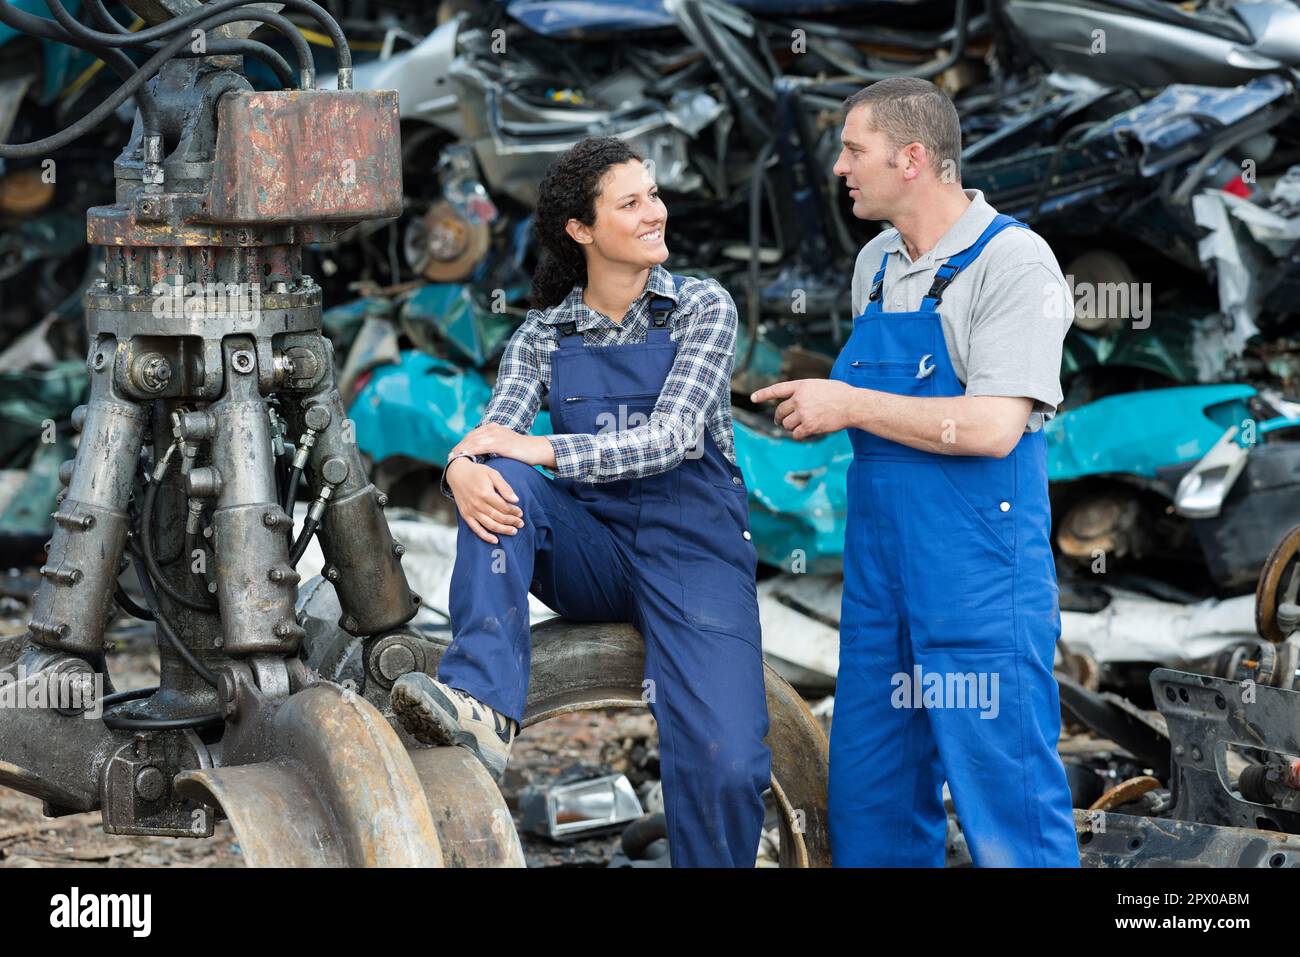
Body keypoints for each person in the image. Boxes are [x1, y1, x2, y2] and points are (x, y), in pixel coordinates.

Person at [390, 136, 772, 868]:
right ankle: (479, 702)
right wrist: (461, 467)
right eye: (631, 202)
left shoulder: (700, 306)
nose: (655, 212)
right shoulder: (542, 335)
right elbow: (493, 437)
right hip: (595, 548)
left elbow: (674, 437)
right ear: (582, 230)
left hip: (697, 555)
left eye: (654, 195)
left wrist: (545, 449)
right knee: (497, 472)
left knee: (725, 761)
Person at [752, 77, 1080, 867]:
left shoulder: (1014, 264)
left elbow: (996, 427)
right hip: (882, 582)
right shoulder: (875, 262)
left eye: (852, 149)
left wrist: (852, 404)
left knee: (1010, 803)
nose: (838, 167)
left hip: (978, 580)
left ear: (912, 158)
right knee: (872, 799)